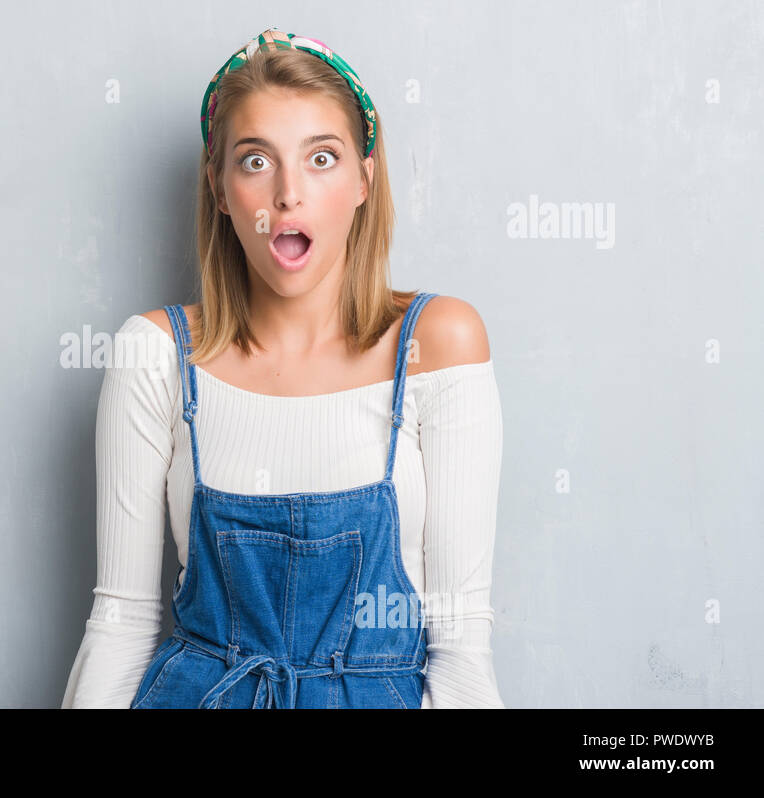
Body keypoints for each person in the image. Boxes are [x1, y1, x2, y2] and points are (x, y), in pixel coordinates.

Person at [62, 28, 505, 708]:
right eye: (255, 161)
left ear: (365, 178)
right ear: (219, 189)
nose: (288, 194)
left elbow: (460, 645)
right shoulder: (152, 356)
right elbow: (120, 623)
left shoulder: (438, 343)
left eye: (321, 158)